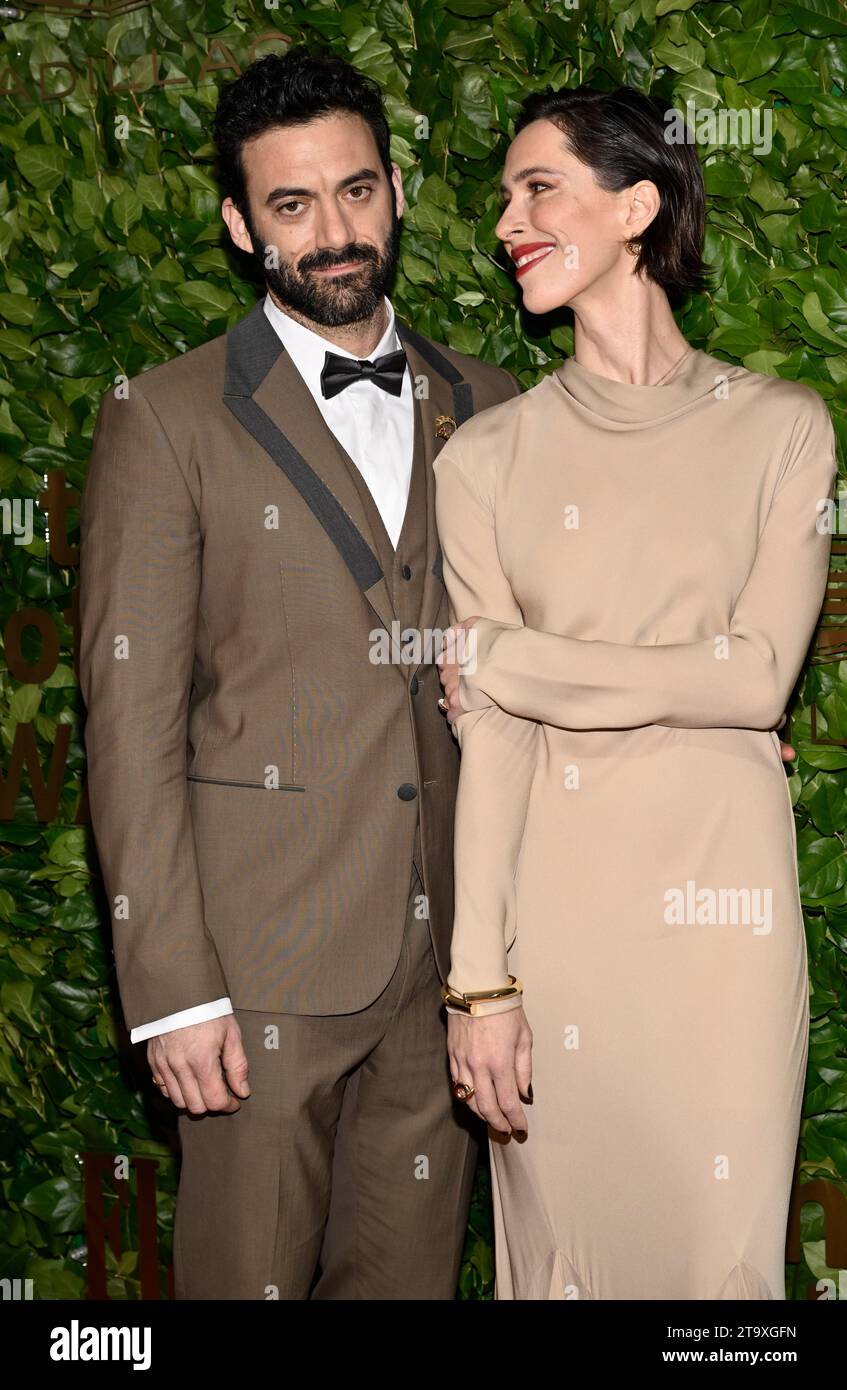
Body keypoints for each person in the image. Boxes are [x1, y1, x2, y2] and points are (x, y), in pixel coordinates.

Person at [77, 45, 521, 1300]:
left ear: (395, 189)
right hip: (253, 969)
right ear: (238, 223)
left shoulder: (487, 406)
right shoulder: (166, 418)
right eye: (291, 204)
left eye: (357, 191)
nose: (335, 233)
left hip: (446, 968)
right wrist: (170, 993)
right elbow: (131, 719)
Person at [433, 85, 837, 1300]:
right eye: (503, 197)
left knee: (723, 1279)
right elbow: (493, 748)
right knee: (564, 1275)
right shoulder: (484, 459)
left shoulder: (783, 429)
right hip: (554, 934)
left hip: (726, 939)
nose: (506, 219)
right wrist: (478, 982)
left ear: (637, 206)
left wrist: (513, 660)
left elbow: (759, 673)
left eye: (536, 187)